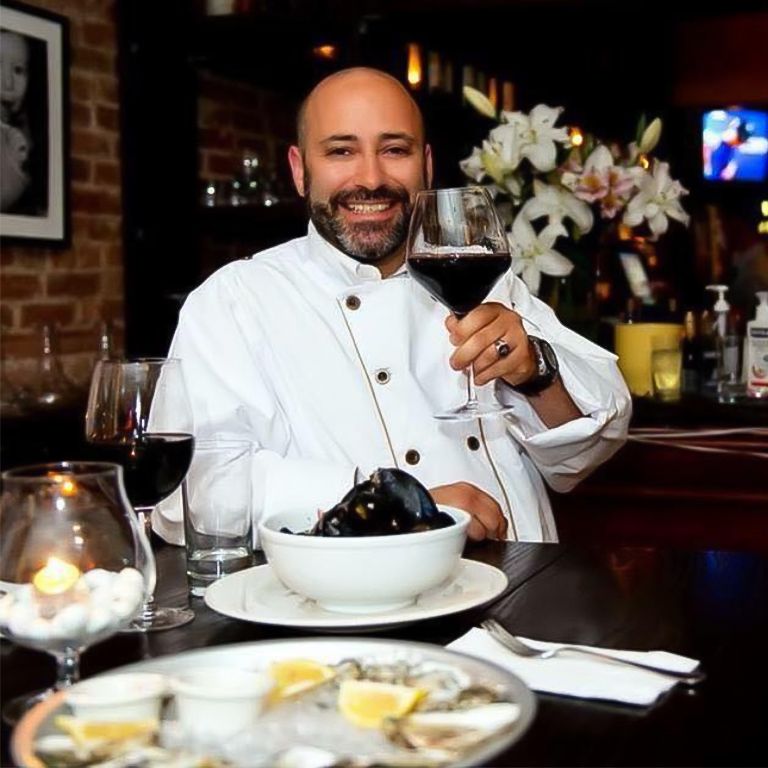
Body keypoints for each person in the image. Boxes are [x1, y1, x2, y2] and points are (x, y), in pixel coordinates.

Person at [155, 67, 631, 544]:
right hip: (361, 611)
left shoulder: (484, 278)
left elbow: (586, 454)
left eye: (394, 150)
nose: (371, 178)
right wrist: (396, 504)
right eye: (341, 151)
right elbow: (193, 494)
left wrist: (536, 370)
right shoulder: (235, 302)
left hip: (526, 593)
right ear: (301, 170)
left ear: (425, 163)